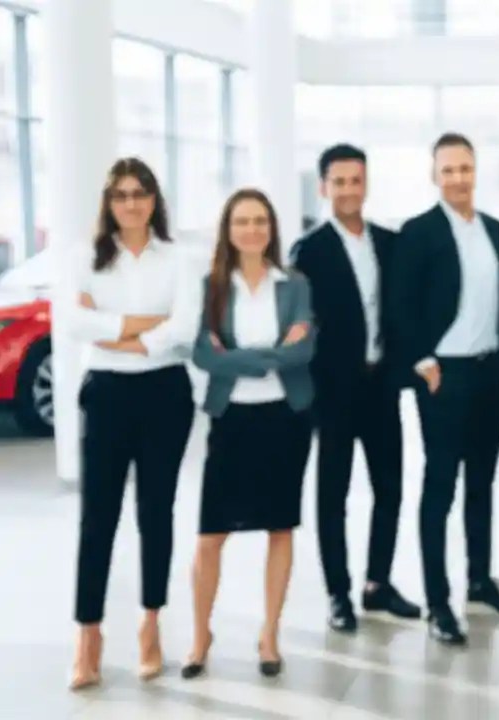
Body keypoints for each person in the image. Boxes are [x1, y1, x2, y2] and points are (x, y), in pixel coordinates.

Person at [66, 157, 199, 690]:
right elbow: (75, 323)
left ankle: (151, 623)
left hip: (166, 393)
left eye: (140, 193)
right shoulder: (86, 257)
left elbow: (187, 325)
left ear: (154, 200)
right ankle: (88, 634)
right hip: (106, 394)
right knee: (98, 517)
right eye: (121, 194)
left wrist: (116, 333)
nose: (131, 203)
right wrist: (145, 328)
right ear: (109, 202)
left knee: (155, 512)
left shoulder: (178, 258)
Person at [391, 132, 499, 647]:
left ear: (476, 170)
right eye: (448, 170)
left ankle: (479, 580)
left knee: (482, 484)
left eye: (464, 168)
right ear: (434, 175)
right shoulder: (419, 231)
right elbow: (401, 305)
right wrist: (424, 363)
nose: (457, 178)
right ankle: (438, 603)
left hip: (491, 373)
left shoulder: (492, 227)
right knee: (440, 486)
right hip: (444, 376)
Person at [180, 189, 315, 680]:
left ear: (271, 229)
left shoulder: (294, 284)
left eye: (261, 221)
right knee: (210, 536)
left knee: (280, 527)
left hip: (286, 417)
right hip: (231, 419)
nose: (252, 229)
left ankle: (270, 634)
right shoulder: (212, 287)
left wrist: (241, 355)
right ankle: (200, 635)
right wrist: (269, 355)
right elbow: (203, 354)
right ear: (228, 229)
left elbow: (304, 352)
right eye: (242, 221)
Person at [290, 144, 419, 633]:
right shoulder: (309, 250)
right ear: (324, 187)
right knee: (334, 495)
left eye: (356, 180)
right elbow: (299, 324)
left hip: (380, 385)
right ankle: (338, 592)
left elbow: (401, 312)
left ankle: (378, 584)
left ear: (366, 184)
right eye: (338, 182)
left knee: (390, 488)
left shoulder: (389, 242)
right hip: (334, 391)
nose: (348, 190)